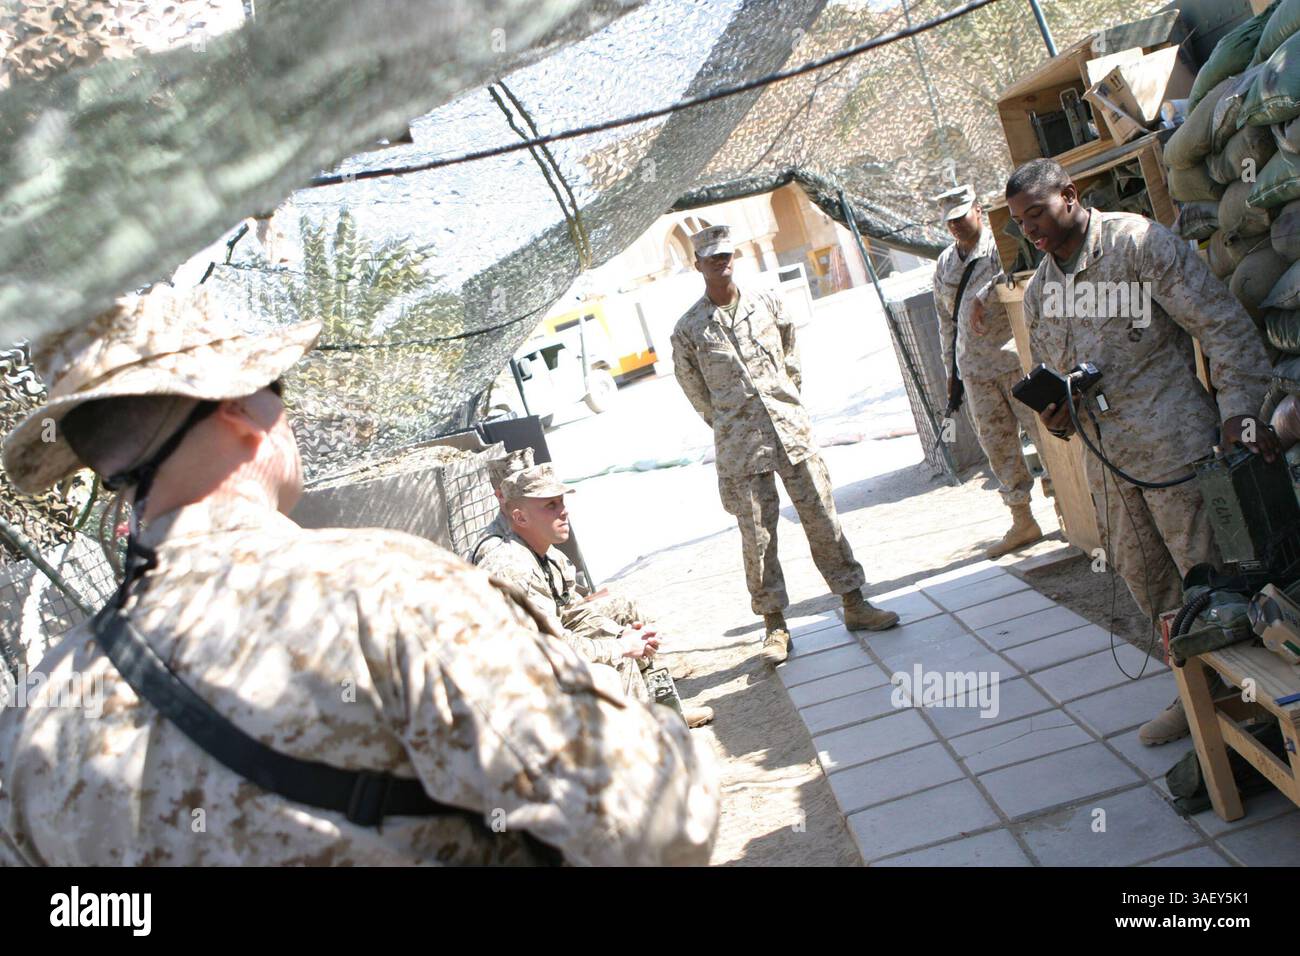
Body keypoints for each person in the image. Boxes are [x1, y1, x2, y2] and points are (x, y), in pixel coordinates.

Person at [0, 288, 718, 865]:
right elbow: (655, 823)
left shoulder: (34, 723)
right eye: (275, 385)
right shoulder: (391, 593)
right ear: (243, 407)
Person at [1003, 159, 1278, 745]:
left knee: (1217, 580)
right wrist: (1056, 419)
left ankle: (1259, 704)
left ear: (1070, 196)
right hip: (1110, 471)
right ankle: (1197, 699)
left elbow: (1222, 324)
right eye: (1020, 223)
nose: (1031, 231)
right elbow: (1051, 378)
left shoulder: (1136, 244)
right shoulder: (1041, 291)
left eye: (1037, 214)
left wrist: (1238, 412)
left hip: (1177, 453)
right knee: (1151, 586)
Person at [670, 223, 898, 667]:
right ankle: (774, 626)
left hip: (790, 430)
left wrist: (786, 400)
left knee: (822, 517)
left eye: (727, 254)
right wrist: (729, 422)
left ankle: (855, 602)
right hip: (741, 445)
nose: (723, 262)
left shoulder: (766, 302)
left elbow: (790, 352)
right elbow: (693, 388)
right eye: (713, 257)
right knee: (757, 537)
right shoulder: (689, 330)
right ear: (697, 264)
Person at [472, 463, 714, 728]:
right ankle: (646, 738)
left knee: (621, 615)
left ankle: (663, 707)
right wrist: (619, 647)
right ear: (520, 518)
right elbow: (550, 647)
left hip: (540, 651)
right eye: (550, 505)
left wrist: (620, 634)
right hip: (509, 683)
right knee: (618, 658)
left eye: (561, 501)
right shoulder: (511, 566)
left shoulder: (542, 547)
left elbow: (570, 611)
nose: (563, 511)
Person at [933, 183, 1043, 558]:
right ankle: (1022, 519)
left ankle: (1070, 504)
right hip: (975, 372)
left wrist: (986, 293)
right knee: (999, 448)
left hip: (1014, 362)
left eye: (961, 218)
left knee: (1045, 435)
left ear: (977, 210)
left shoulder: (1000, 245)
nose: (957, 227)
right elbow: (945, 321)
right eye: (950, 222)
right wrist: (951, 371)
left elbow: (1024, 276)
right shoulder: (946, 263)